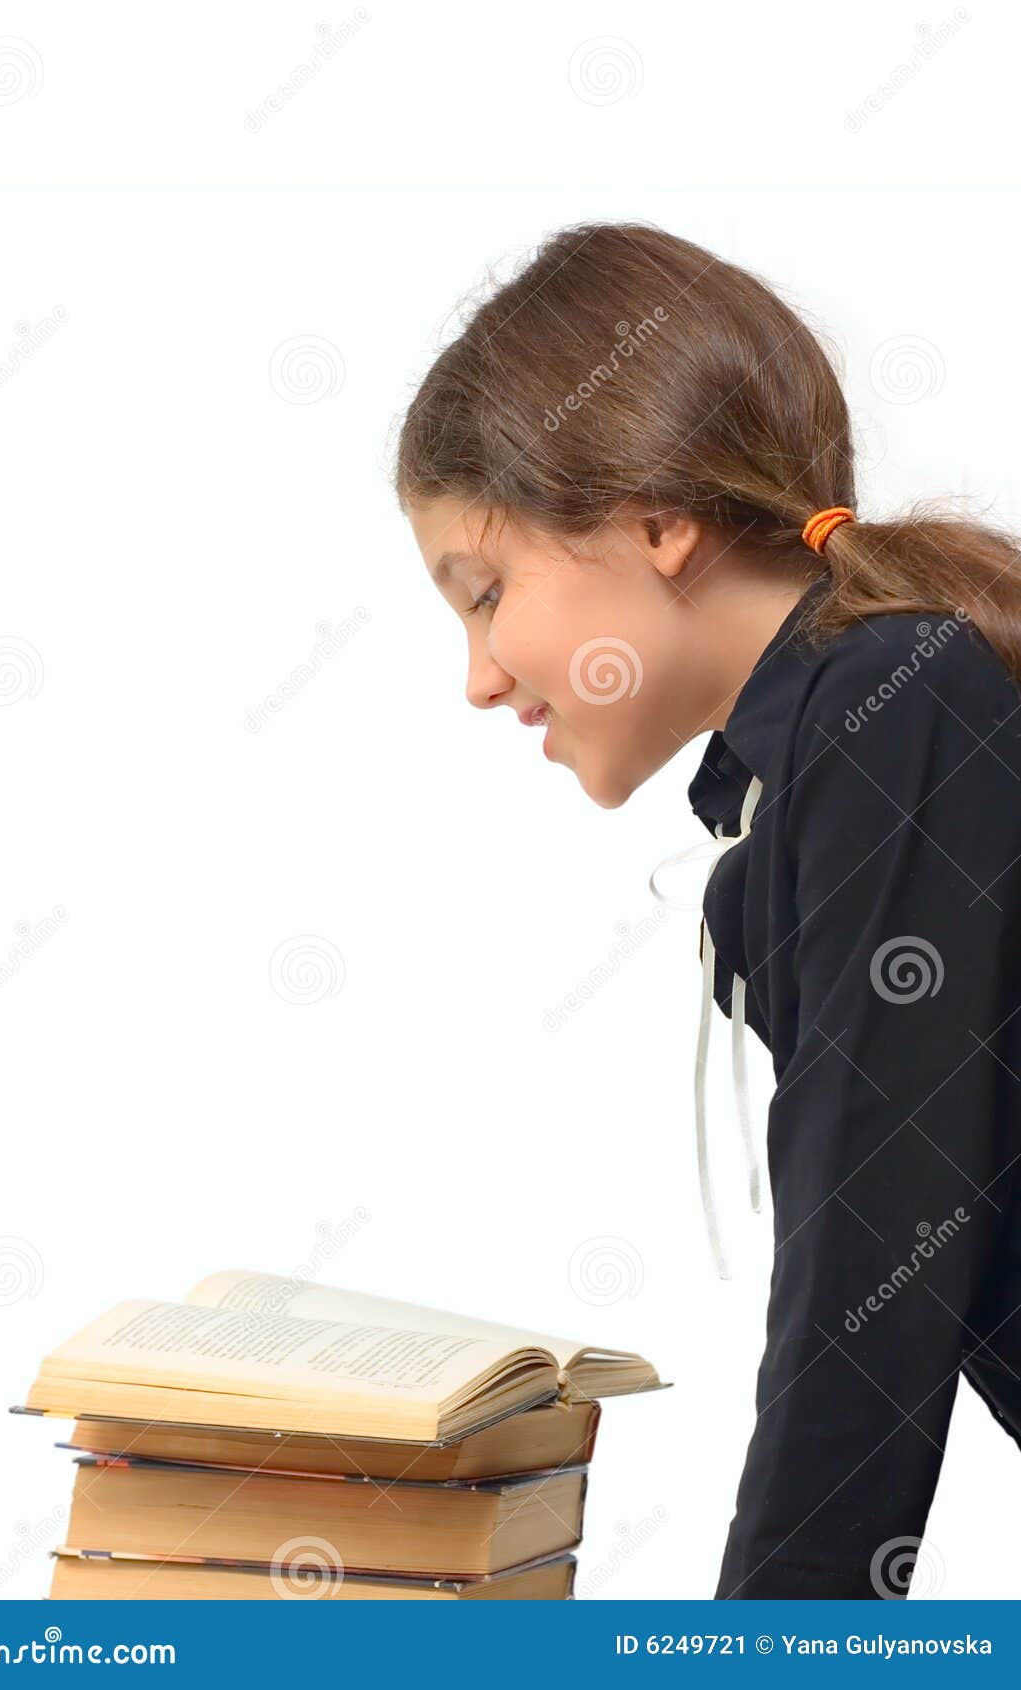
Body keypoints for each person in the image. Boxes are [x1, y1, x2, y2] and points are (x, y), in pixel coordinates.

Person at [394, 221, 1021, 1599]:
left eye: (484, 593)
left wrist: (759, 1652)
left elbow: (872, 1285)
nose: (479, 679)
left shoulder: (901, 703)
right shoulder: (808, 789)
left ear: (659, 525)